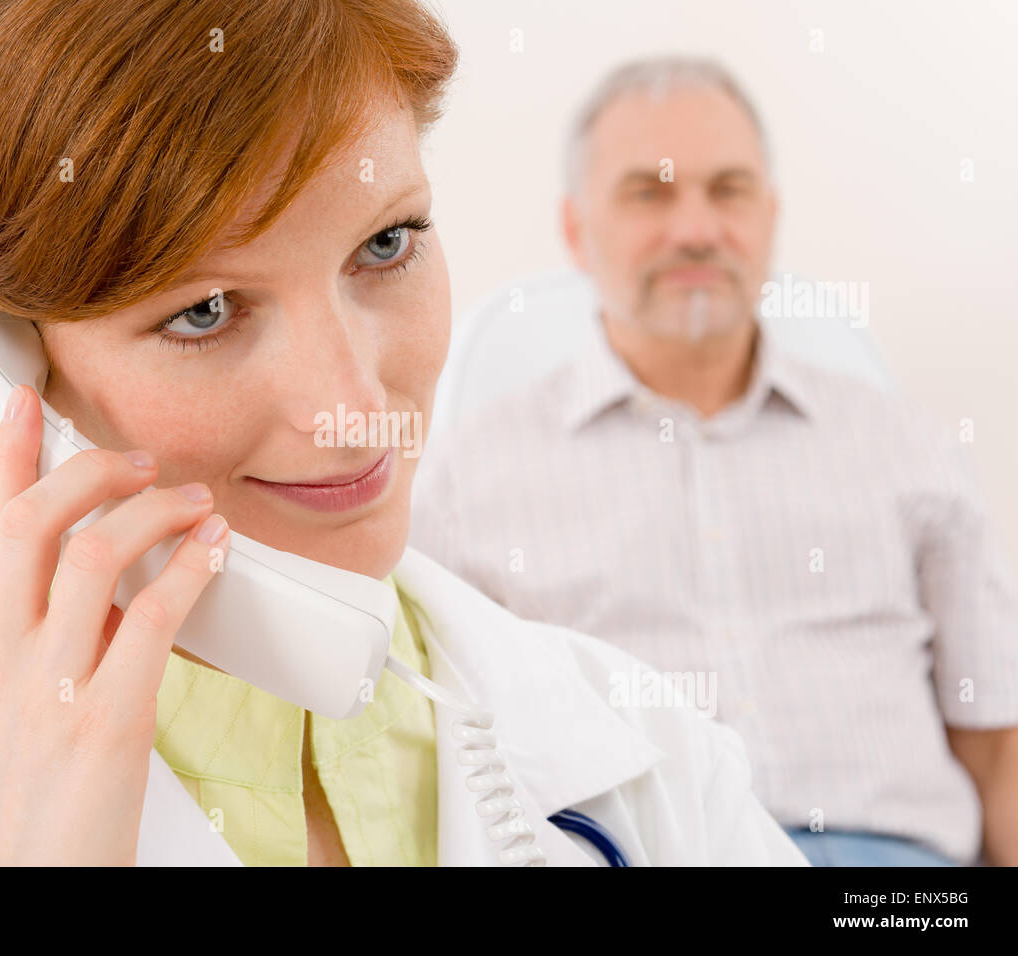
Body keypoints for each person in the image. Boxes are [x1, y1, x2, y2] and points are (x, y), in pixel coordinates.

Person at [0, 3, 805, 867]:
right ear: (9, 362)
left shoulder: (650, 759)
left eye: (386, 243)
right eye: (203, 310)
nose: (348, 396)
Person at [411, 56, 1018, 866]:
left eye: (728, 189)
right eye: (649, 194)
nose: (695, 228)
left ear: (769, 215)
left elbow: (998, 745)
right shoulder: (462, 478)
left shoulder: (906, 446)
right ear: (575, 230)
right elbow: (432, 757)